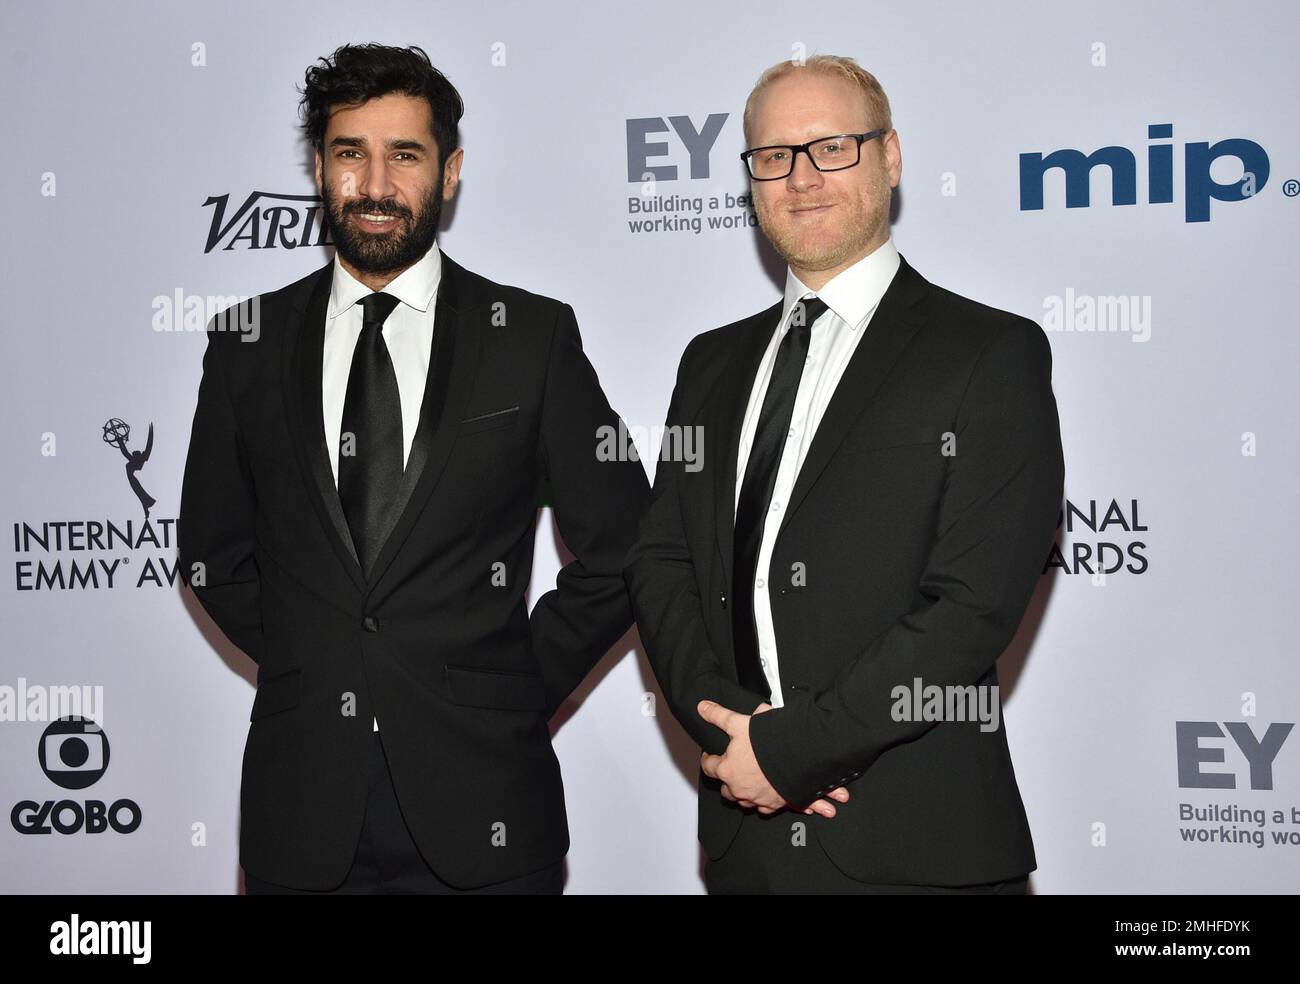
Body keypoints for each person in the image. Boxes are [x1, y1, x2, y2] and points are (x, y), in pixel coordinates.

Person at [179, 43, 648, 894]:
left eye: (406, 154)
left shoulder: (530, 338)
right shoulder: (245, 343)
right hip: (302, 813)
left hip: (488, 811)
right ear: (319, 167)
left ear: (451, 170)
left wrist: (510, 677)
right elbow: (213, 553)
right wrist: (315, 662)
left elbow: (625, 546)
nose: (376, 183)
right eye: (350, 152)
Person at [625, 54, 1064, 894]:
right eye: (774, 156)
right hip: (743, 839)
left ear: (890, 158)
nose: (801, 178)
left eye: (832, 146)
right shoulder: (709, 363)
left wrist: (794, 752)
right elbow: (661, 561)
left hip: (916, 847)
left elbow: (971, 606)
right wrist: (733, 734)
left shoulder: (988, 354)